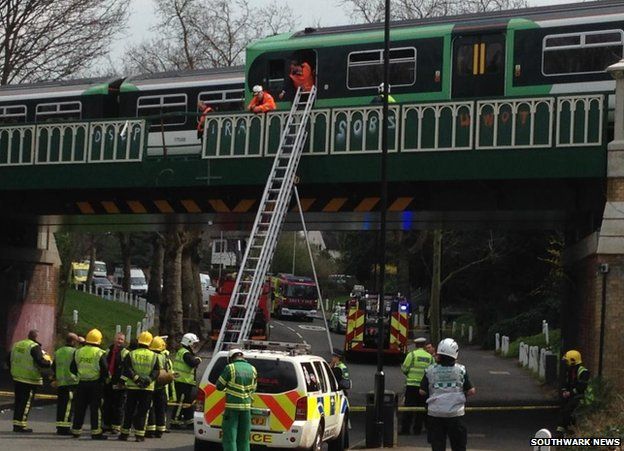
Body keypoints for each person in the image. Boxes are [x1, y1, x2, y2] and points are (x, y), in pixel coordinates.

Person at [419, 338, 476, 451]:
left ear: (439, 354)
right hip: (456, 415)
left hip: (435, 414)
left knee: (438, 446)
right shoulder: (461, 370)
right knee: (459, 446)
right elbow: (471, 391)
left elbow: (422, 391)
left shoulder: (430, 370)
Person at [7, 329, 52, 433]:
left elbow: (9, 358)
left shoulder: (17, 344)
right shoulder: (34, 347)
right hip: (29, 379)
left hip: (17, 377)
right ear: (36, 338)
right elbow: (40, 362)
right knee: (26, 402)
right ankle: (21, 425)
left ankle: (16, 423)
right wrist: (49, 363)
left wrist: (12, 369)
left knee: (18, 401)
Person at [119, 331, 160, 442]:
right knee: (142, 412)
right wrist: (148, 380)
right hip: (147, 388)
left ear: (139, 341)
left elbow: (127, 369)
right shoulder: (154, 356)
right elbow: (156, 371)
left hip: (133, 387)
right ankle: (139, 435)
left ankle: (124, 434)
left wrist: (136, 379)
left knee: (129, 410)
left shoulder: (131, 354)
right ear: (150, 342)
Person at [70, 328, 109, 440]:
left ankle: (76, 431)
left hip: (81, 383)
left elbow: (72, 368)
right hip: (95, 384)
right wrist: (103, 380)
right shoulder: (99, 353)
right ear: (99, 340)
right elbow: (105, 369)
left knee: (79, 408)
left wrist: (80, 374)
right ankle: (96, 432)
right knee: (95, 409)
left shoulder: (78, 351)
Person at [216, 348, 257, 451]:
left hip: (232, 408)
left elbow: (219, 386)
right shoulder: (253, 369)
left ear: (231, 358)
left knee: (230, 437)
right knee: (244, 438)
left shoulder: (230, 368)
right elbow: (254, 388)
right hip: (247, 408)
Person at [401, 337, 434, 435]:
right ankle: (417, 429)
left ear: (415, 345)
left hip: (411, 385)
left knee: (408, 408)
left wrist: (409, 375)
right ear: (424, 345)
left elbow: (404, 368)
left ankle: (405, 430)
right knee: (421, 408)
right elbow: (432, 371)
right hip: (424, 387)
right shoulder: (430, 357)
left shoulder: (412, 355)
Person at [557, 350, 592, 436]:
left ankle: (565, 430)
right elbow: (566, 383)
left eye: (567, 361)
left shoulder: (584, 372)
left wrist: (570, 393)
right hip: (574, 395)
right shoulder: (570, 371)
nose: (566, 363)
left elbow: (581, 388)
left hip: (584, 397)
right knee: (564, 409)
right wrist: (564, 390)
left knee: (568, 410)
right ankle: (561, 430)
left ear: (573, 361)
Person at [171, 332, 202, 429]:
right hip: (182, 382)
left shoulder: (183, 352)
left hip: (185, 382)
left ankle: (189, 421)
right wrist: (198, 360)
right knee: (181, 403)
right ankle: (175, 421)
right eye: (193, 343)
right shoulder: (185, 353)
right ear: (188, 343)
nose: (194, 346)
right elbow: (192, 363)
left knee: (187, 402)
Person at [146, 336, 174, 438]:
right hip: (162, 386)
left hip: (151, 385)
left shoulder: (151, 355)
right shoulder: (164, 357)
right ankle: (160, 430)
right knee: (160, 408)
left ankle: (150, 430)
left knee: (151, 408)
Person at [52, 332, 79, 435]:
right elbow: (77, 366)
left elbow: (54, 366)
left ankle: (60, 426)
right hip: (71, 382)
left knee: (61, 405)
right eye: (76, 341)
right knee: (68, 406)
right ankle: (65, 428)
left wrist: (55, 377)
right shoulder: (74, 352)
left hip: (61, 382)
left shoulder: (58, 351)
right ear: (72, 341)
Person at [102, 332, 129, 434]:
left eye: (121, 339)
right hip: (109, 382)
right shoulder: (108, 351)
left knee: (119, 406)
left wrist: (122, 382)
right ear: (114, 339)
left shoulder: (125, 353)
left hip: (119, 383)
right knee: (107, 404)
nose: (119, 341)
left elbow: (127, 369)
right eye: (118, 339)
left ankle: (116, 426)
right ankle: (107, 425)